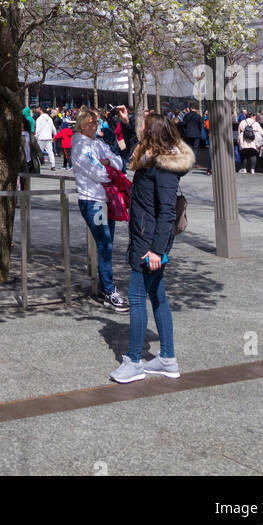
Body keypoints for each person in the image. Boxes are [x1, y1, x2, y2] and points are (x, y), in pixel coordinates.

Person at [110, 114, 195, 383]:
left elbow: (167, 211)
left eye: (144, 123)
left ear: (154, 132)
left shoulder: (163, 166)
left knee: (136, 297)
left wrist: (157, 250)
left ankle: (134, 360)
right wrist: (124, 122)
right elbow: (132, 141)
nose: (140, 126)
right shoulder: (150, 157)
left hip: (149, 244)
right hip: (145, 239)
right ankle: (167, 359)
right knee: (158, 297)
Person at [71, 107, 128, 310]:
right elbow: (100, 173)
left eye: (97, 122)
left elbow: (119, 162)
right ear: (82, 124)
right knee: (105, 244)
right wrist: (107, 165)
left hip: (105, 200)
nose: (96, 125)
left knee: (108, 244)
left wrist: (108, 163)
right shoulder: (80, 145)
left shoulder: (98, 142)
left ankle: (106, 286)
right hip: (92, 200)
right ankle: (109, 290)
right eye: (91, 123)